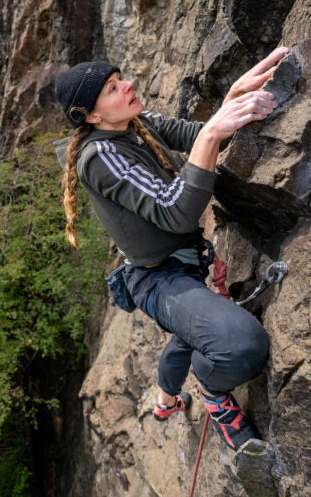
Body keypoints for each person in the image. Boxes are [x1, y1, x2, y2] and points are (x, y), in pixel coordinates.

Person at [54, 47, 288, 451]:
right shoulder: (101, 156)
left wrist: (232, 98)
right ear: (91, 117)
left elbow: (197, 134)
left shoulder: (135, 125)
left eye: (121, 77)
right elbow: (174, 212)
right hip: (157, 279)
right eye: (112, 88)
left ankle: (165, 399)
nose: (127, 85)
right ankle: (212, 390)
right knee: (242, 345)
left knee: (190, 332)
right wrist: (215, 131)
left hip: (182, 265)